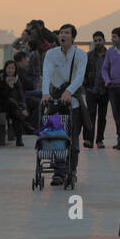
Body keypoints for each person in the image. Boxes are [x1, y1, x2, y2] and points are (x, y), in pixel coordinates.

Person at [39, 23, 88, 185]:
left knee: (72, 138)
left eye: (67, 33)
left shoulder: (81, 54)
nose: (63, 35)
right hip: (55, 101)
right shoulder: (51, 54)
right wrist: (45, 92)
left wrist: (69, 91)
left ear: (73, 37)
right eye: (61, 32)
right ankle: (59, 172)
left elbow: (80, 76)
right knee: (55, 136)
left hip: (73, 102)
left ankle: (71, 170)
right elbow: (46, 72)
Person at [83, 31, 110, 149]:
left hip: (105, 90)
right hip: (91, 89)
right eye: (95, 40)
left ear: (104, 41)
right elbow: (83, 71)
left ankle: (100, 140)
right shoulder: (88, 55)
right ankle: (89, 140)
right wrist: (85, 84)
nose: (98, 42)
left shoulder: (109, 55)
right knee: (90, 115)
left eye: (100, 40)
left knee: (102, 117)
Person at [0, 60, 30, 145]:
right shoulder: (1, 79)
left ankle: (19, 139)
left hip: (15, 107)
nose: (10, 70)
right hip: (4, 105)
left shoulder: (17, 80)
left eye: (13, 68)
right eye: (9, 68)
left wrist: (24, 108)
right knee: (12, 105)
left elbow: (21, 96)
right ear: (5, 69)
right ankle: (26, 127)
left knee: (16, 114)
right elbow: (1, 95)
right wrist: (9, 87)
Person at [13, 50, 42, 124]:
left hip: (23, 92)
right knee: (39, 100)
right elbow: (29, 85)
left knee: (42, 94)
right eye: (27, 58)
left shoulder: (20, 69)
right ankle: (33, 125)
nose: (28, 60)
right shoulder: (19, 70)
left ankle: (37, 122)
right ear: (22, 59)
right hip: (20, 95)